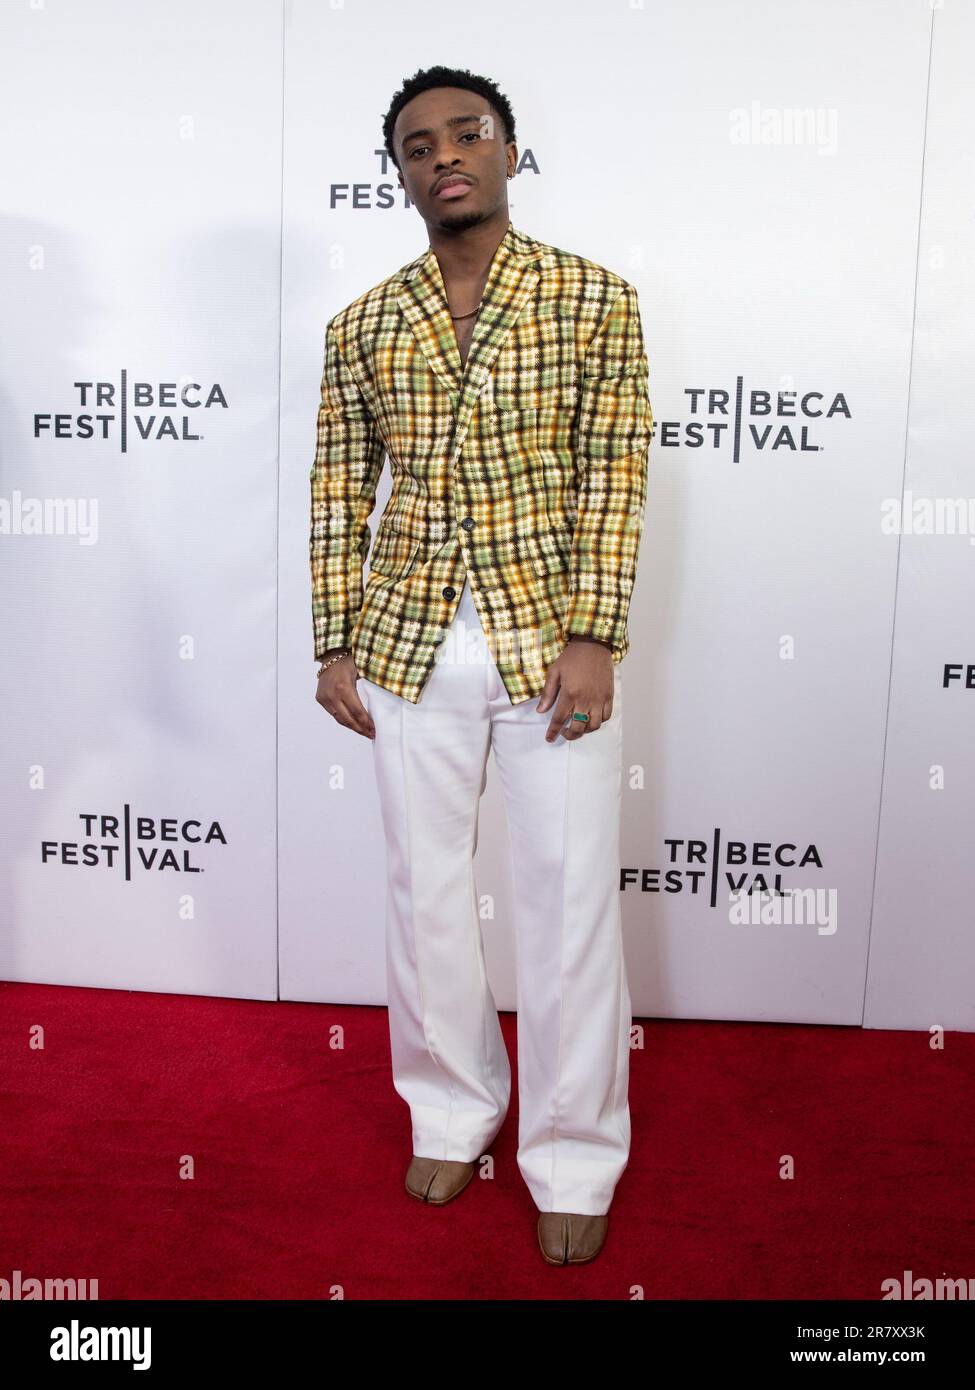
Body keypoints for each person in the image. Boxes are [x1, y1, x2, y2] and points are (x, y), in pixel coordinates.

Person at [310, 64, 652, 1266]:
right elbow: (339, 488)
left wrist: (596, 630)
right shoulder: (364, 321)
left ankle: (572, 1154)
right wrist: (334, 639)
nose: (444, 154)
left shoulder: (592, 298)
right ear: (398, 171)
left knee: (564, 909)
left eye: (468, 134)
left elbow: (614, 472)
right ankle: (452, 1111)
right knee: (427, 899)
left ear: (509, 153)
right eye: (418, 144)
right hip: (407, 647)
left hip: (548, 644)